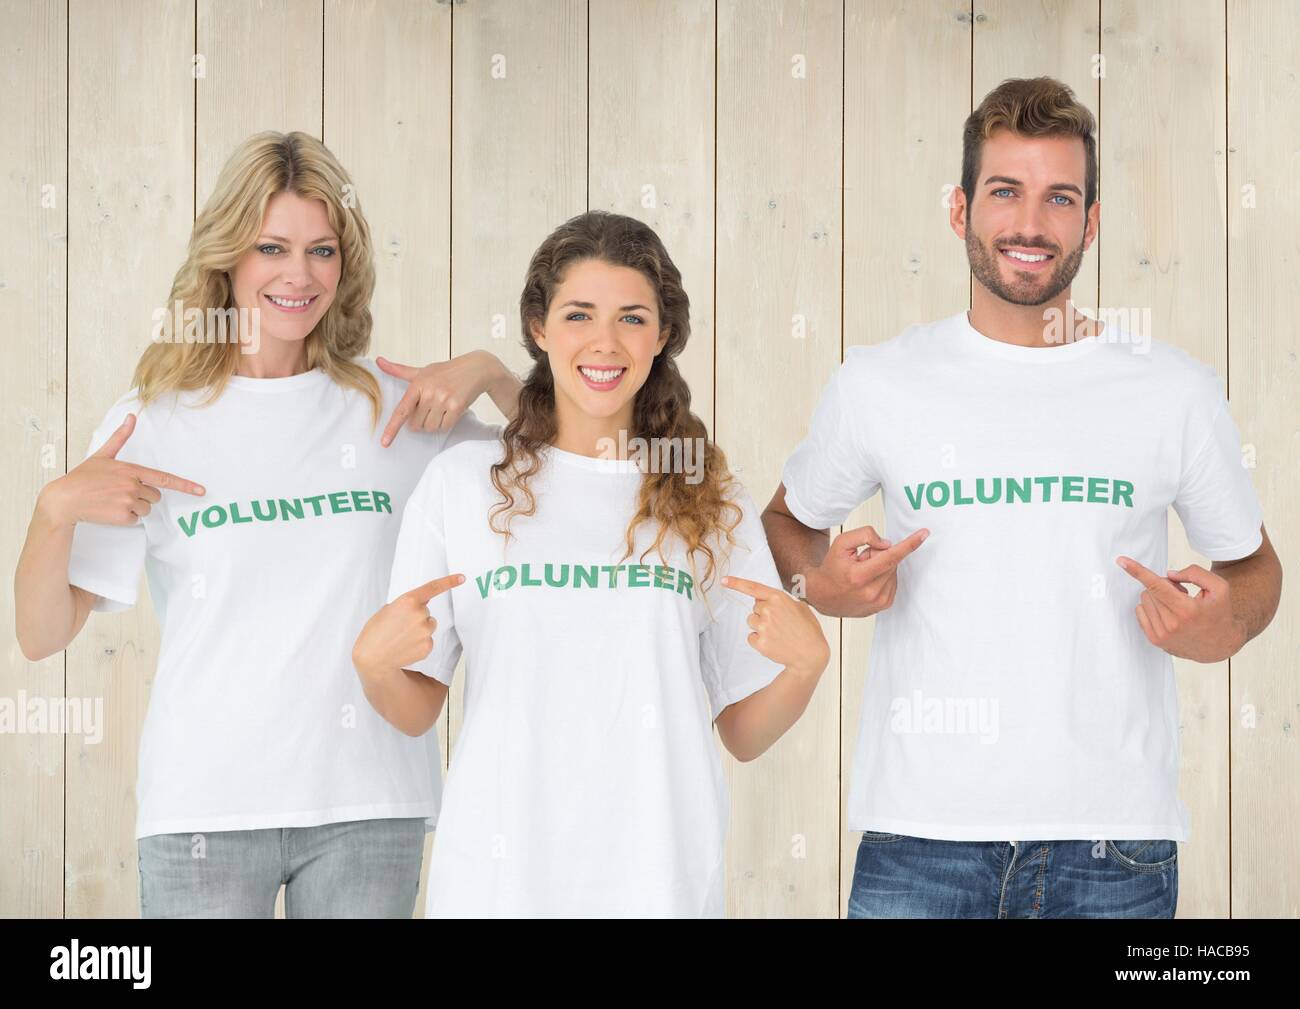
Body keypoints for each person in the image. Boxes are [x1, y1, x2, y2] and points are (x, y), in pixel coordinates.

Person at [761, 77, 1282, 919]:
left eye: (1060, 198)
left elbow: (1255, 566)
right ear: (962, 210)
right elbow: (786, 522)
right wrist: (812, 584)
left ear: (1092, 219)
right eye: (1006, 192)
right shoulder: (879, 383)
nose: (1031, 224)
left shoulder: (1173, 390)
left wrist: (1234, 620)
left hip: (1116, 851)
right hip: (917, 843)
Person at [14, 130, 522, 919]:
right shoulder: (149, 423)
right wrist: (53, 511)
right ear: (229, 257)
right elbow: (42, 634)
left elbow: (564, 466)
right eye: (271, 247)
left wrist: (492, 373)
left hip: (368, 804)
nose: (298, 274)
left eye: (322, 250)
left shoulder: (397, 410)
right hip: (203, 814)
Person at [352, 210, 831, 917]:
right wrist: (373, 664)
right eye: (579, 314)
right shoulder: (463, 483)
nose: (605, 342)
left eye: (632, 318)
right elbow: (418, 708)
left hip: (659, 886)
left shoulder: (707, 493)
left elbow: (743, 730)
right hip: (498, 888)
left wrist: (807, 665)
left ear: (662, 335)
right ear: (540, 329)